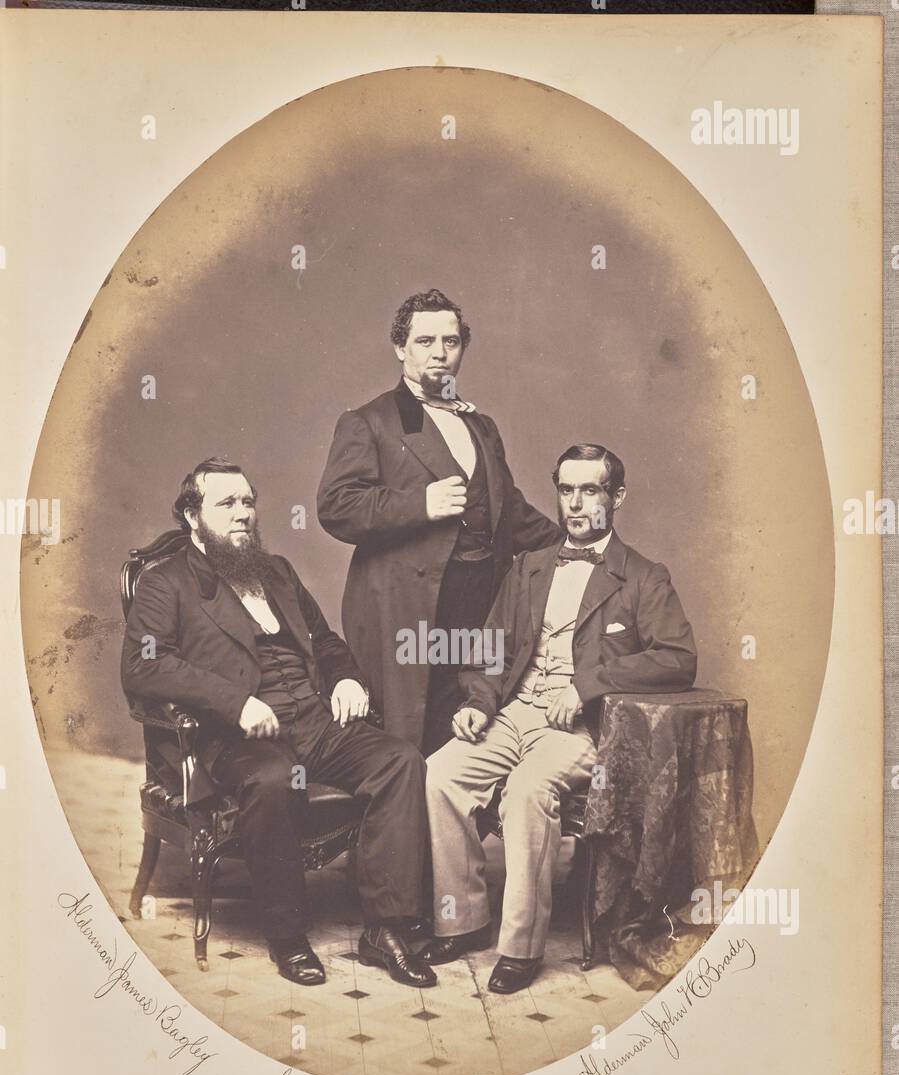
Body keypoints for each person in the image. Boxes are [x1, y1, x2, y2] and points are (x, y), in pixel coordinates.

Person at [121, 458, 437, 989]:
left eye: (248, 501)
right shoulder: (165, 584)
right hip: (234, 735)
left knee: (400, 761)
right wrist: (235, 702)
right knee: (271, 779)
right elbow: (143, 665)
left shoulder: (277, 572)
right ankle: (287, 936)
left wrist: (345, 681)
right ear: (192, 517)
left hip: (313, 721)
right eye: (226, 504)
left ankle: (386, 927)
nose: (243, 513)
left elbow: (327, 642)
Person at [423, 444, 697, 992]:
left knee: (527, 789)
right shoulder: (528, 567)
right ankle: (465, 920)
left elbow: (678, 658)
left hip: (580, 729)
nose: (576, 503)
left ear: (616, 497)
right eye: (566, 489)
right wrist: (478, 702)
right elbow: (490, 649)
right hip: (513, 710)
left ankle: (521, 947)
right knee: (440, 774)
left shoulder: (643, 577)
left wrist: (587, 685)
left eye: (590, 490)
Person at [317, 287, 561, 756]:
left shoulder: (481, 425)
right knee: (411, 735)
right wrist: (420, 503)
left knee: (468, 723)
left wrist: (576, 547)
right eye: (425, 341)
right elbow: (336, 506)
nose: (439, 354)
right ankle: (404, 830)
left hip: (481, 599)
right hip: (406, 607)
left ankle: (454, 827)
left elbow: (510, 510)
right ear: (400, 349)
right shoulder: (369, 421)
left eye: (451, 342)